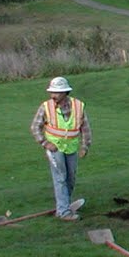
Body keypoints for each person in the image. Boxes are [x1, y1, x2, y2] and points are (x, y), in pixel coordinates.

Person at [30, 76, 91, 220]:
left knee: (70, 178)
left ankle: (64, 205)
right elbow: (35, 127)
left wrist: (85, 146)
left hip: (71, 148)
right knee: (60, 178)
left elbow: (86, 128)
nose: (53, 96)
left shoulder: (78, 106)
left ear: (65, 93)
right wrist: (45, 143)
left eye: (56, 93)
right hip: (54, 149)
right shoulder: (46, 107)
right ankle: (63, 211)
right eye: (52, 92)